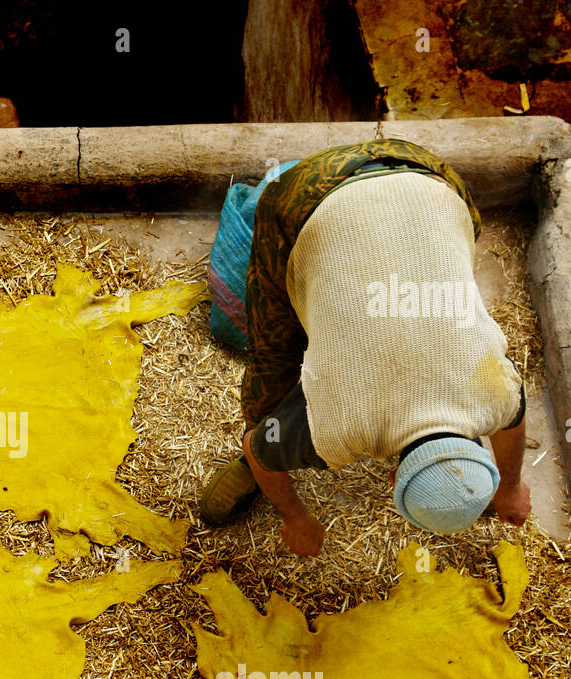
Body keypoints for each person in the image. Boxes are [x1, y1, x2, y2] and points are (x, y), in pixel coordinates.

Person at [198, 139, 532, 556]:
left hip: (431, 172)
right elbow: (258, 444)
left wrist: (511, 488)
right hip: (308, 194)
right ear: (392, 480)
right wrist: (295, 518)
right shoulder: (336, 433)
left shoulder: (497, 395)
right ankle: (250, 465)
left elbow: (513, 418)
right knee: (274, 361)